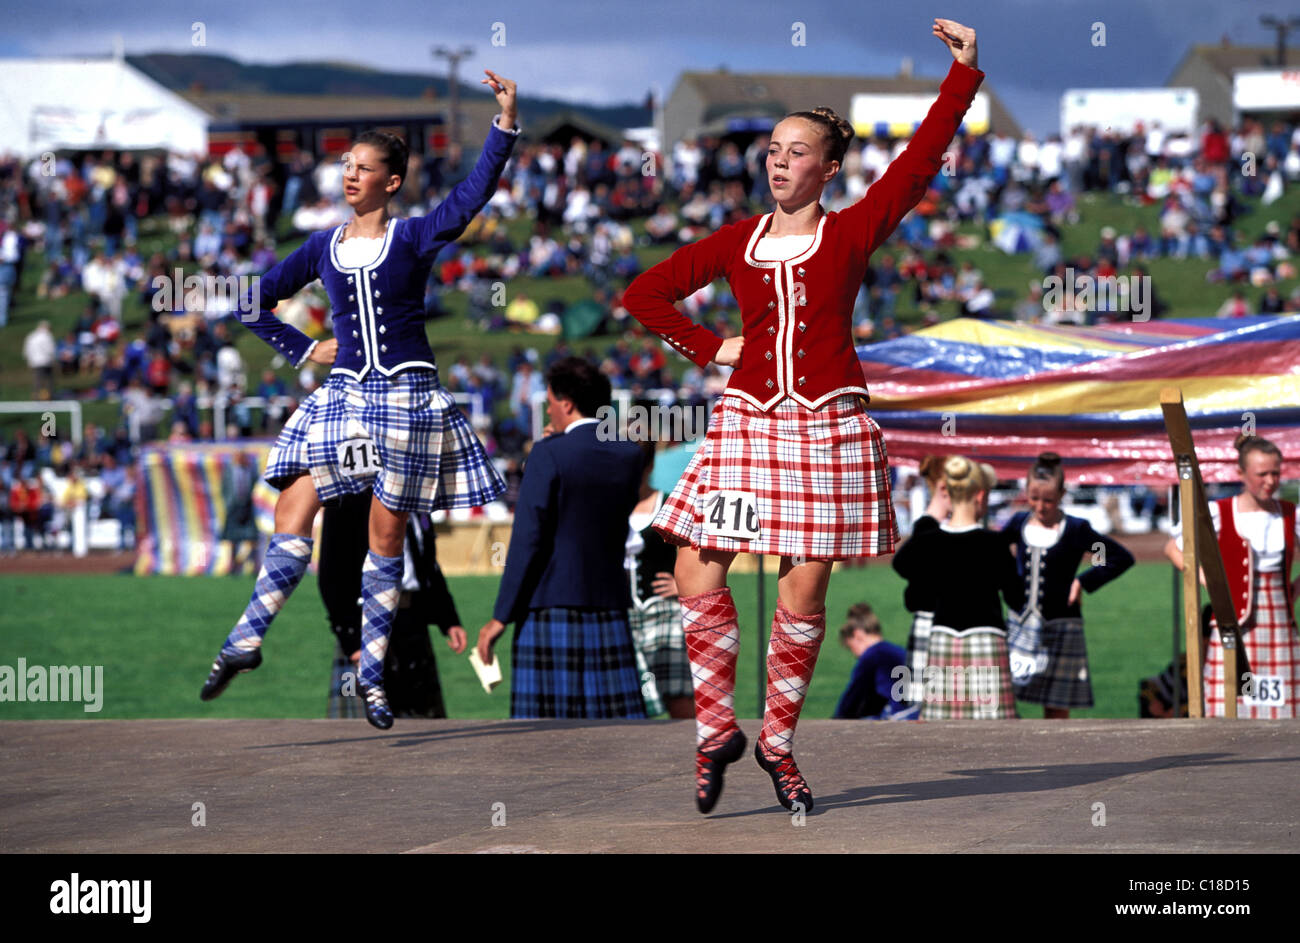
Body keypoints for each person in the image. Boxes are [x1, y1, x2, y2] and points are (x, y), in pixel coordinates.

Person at [623, 19, 984, 813]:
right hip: (749, 423)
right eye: (773, 151)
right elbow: (642, 294)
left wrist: (961, 77)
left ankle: (778, 742)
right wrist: (709, 346)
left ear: (827, 168)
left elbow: (919, 165)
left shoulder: (851, 231)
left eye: (795, 153)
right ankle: (717, 728)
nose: (778, 162)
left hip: (827, 425)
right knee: (694, 566)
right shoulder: (734, 240)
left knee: (804, 592)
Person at [199, 71, 521, 729]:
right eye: (346, 165)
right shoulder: (323, 246)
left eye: (364, 168)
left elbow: (471, 195)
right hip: (346, 393)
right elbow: (252, 300)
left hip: (404, 397)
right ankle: (247, 637)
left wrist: (503, 125)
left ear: (391, 181)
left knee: (385, 536)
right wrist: (302, 348)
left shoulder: (413, 237)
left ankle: (370, 677)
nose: (350, 176)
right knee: (294, 502)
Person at [474, 357, 646, 719]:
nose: (548, 408)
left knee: (546, 742)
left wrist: (500, 617)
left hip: (550, 605)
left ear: (566, 403)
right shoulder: (629, 456)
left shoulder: (547, 454)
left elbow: (528, 541)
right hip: (608, 604)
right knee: (616, 734)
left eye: (550, 401)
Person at [1163, 434, 1300, 718]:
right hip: (1232, 625)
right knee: (1232, 706)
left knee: (1282, 709)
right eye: (1262, 474)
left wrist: (1295, 589)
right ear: (1241, 473)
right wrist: (1206, 580)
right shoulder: (1220, 511)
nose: (1270, 481)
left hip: (1280, 624)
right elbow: (1174, 547)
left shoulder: (1289, 514)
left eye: (1276, 473)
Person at [1002, 452, 1134, 718]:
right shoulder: (1018, 523)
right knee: (1004, 696)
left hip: (1062, 626)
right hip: (1020, 624)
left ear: (1062, 494)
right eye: (1034, 498)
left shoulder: (1075, 530)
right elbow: (993, 551)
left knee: (1056, 703)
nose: (1040, 506)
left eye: (1048, 500)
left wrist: (1083, 581)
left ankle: (1053, 751)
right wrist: (1008, 581)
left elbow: (1117, 557)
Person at [892, 457, 1023, 719]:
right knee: (995, 731)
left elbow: (902, 564)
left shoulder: (928, 542)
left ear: (948, 493)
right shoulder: (995, 544)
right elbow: (1016, 598)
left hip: (942, 639)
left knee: (941, 734)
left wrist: (929, 518)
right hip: (988, 640)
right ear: (981, 495)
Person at [319, 491, 466, 718]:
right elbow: (331, 571)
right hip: (364, 628)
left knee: (424, 727)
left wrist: (449, 619)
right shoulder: (348, 493)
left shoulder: (415, 492)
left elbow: (427, 563)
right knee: (357, 733)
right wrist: (351, 638)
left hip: (413, 623)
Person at [625, 440, 693, 718]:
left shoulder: (668, 502)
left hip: (664, 612)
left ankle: (696, 757)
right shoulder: (608, 506)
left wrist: (682, 585)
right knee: (629, 700)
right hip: (622, 612)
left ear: (650, 466)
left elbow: (695, 551)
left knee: (678, 696)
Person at [833, 603, 916, 720]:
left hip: (898, 714)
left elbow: (852, 698)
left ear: (858, 635)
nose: (855, 655)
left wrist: (836, 719)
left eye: (851, 648)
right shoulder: (899, 651)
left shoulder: (872, 655)